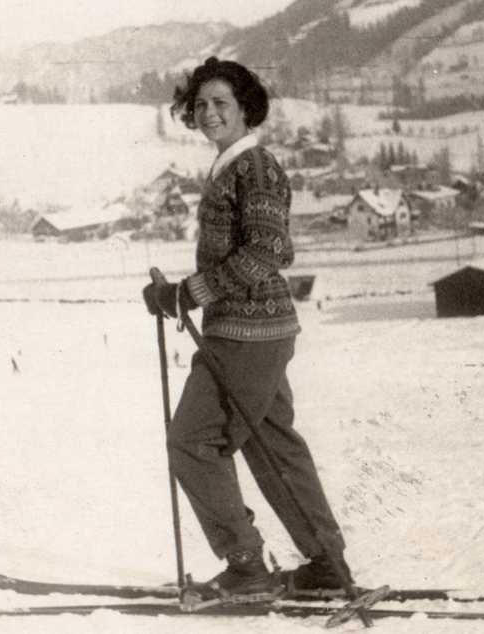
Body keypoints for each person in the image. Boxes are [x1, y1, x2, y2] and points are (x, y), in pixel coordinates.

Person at [143, 57, 350, 598]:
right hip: (255, 330)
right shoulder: (231, 167)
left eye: (221, 104)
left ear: (245, 110)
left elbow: (268, 248)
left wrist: (187, 294)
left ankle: (246, 567)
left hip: (246, 335)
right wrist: (177, 295)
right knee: (271, 446)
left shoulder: (252, 167)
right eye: (201, 105)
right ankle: (327, 567)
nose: (209, 114)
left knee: (191, 441)